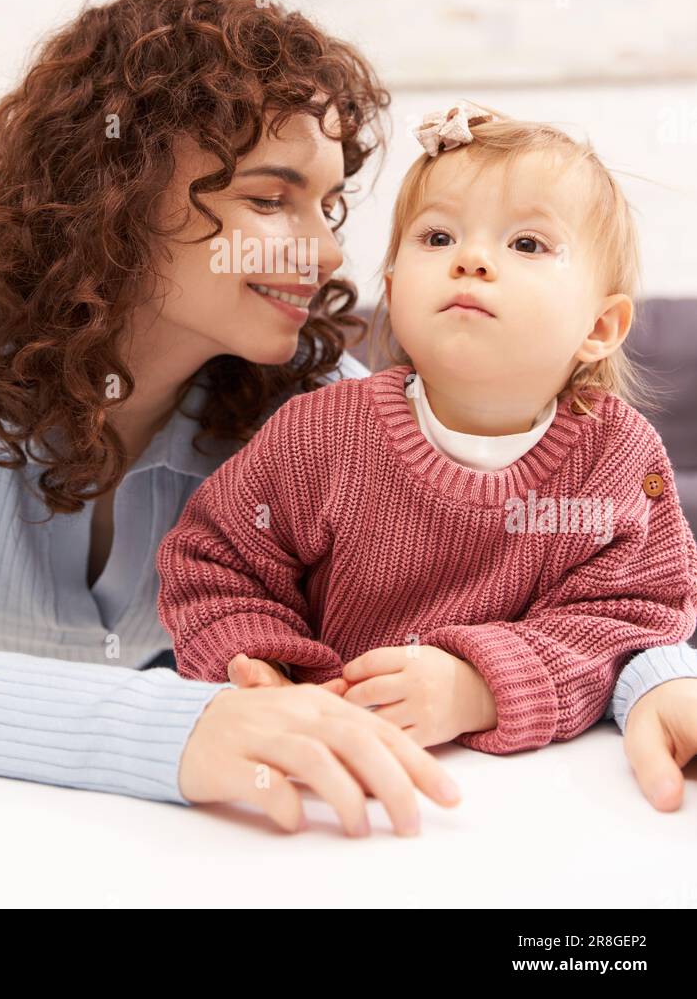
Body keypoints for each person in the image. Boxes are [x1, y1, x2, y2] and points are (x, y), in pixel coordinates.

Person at [0, 0, 465, 839]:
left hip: (187, 842)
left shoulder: (318, 404)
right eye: (270, 200)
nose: (323, 252)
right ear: (114, 192)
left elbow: (554, 574)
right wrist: (174, 727)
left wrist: (651, 684)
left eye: (327, 204)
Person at [158, 101, 697, 770]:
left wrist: (480, 687)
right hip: (319, 760)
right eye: (437, 239)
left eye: (526, 244)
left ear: (601, 328)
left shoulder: (618, 457)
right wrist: (262, 668)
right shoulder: (319, 433)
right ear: (392, 290)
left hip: (521, 788)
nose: (470, 259)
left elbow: (633, 620)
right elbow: (216, 563)